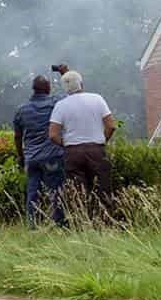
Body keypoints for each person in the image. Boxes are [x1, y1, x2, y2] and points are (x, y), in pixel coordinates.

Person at [48, 69, 117, 214]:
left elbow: (53, 135)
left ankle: (81, 226)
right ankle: (105, 225)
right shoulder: (97, 99)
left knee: (77, 194)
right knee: (102, 190)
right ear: (81, 84)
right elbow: (111, 126)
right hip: (96, 150)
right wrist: (102, 141)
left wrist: (67, 144)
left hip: (73, 153)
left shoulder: (61, 105)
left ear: (65, 88)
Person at [12, 75, 66, 226]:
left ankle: (32, 225)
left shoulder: (21, 110)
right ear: (48, 88)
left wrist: (21, 157)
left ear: (33, 89)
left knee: (32, 193)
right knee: (56, 192)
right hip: (52, 156)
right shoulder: (55, 103)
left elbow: (17, 137)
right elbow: (73, 93)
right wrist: (65, 73)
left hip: (31, 158)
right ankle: (59, 224)